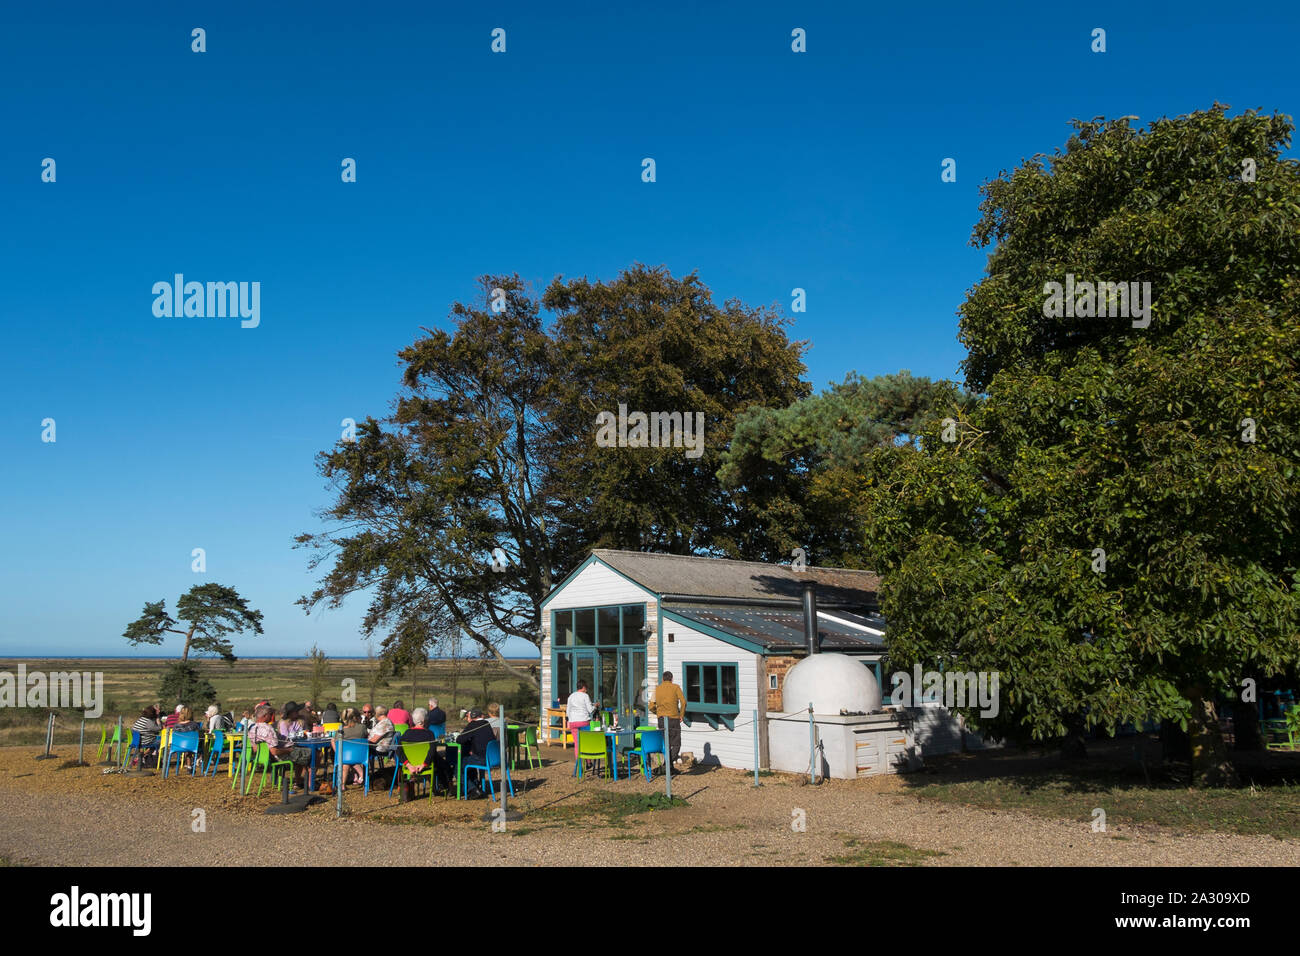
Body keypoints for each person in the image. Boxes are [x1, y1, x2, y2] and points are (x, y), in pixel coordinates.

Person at [394, 708, 451, 800]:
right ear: (424, 721)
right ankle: (445, 787)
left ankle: (438, 786)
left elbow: (398, 750)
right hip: (426, 764)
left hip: (411, 765)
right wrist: (424, 764)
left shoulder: (406, 733)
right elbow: (432, 751)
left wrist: (408, 765)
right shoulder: (429, 734)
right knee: (443, 764)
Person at [651, 671, 687, 767]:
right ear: (672, 679)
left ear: (662, 679)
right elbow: (683, 702)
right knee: (676, 744)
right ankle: (667, 764)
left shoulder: (657, 689)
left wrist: (657, 713)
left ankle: (668, 767)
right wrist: (681, 715)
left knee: (666, 744)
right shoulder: (675, 687)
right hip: (674, 718)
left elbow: (651, 705)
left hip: (662, 719)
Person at [457, 709, 495, 797]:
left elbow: (459, 740)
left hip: (481, 759)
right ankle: (475, 784)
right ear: (481, 715)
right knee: (468, 760)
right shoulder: (486, 723)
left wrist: (469, 723)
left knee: (458, 767)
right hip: (492, 758)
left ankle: (473, 789)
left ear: (471, 717)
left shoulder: (473, 725)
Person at [337, 708, 368, 788]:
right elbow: (366, 737)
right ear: (356, 717)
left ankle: (342, 785)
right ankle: (361, 774)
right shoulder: (362, 728)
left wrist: (338, 753)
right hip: (361, 756)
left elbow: (334, 741)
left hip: (344, 757)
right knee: (348, 759)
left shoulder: (341, 730)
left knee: (346, 762)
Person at [567, 680, 595, 756]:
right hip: (583, 721)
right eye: (586, 688)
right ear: (583, 687)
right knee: (586, 742)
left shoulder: (571, 696)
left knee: (577, 743)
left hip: (573, 722)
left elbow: (568, 711)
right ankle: (588, 761)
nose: (587, 689)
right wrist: (595, 706)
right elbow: (590, 710)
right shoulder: (585, 696)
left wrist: (569, 721)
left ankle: (578, 763)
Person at [367, 705, 395, 775]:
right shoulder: (383, 722)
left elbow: (373, 740)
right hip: (375, 747)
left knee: (359, 750)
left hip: (378, 749)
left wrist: (361, 742)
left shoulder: (385, 724)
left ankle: (361, 775)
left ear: (377, 713)